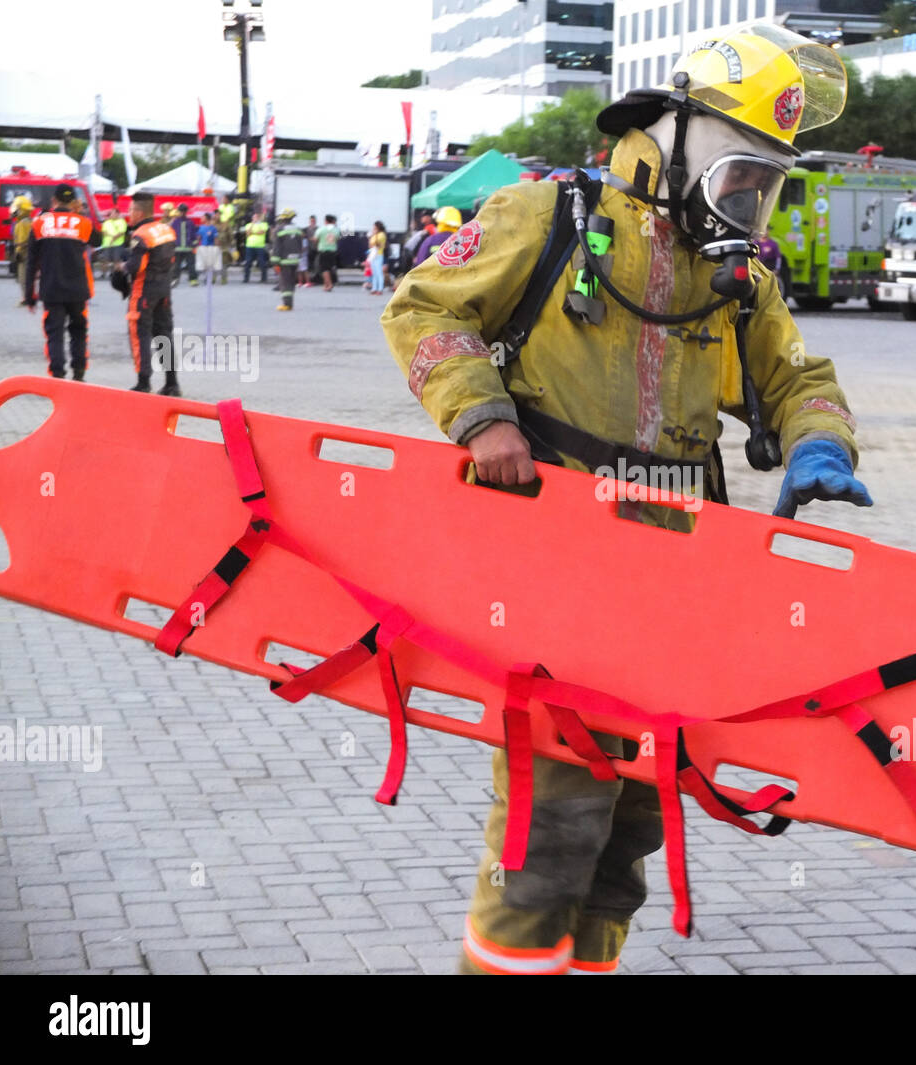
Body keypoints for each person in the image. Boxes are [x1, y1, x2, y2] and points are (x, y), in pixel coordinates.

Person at [381, 24, 870, 976]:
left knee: (632, 825)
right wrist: (483, 418)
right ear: (672, 135)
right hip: (557, 570)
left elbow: (799, 375)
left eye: (763, 185)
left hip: (679, 584)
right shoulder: (546, 218)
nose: (746, 202)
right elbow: (422, 306)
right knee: (551, 821)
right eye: (737, 174)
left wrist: (817, 438)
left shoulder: (738, 279)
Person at [22, 183, 97, 381]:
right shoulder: (83, 223)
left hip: (52, 289)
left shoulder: (39, 223)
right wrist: (81, 213)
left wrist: (29, 296)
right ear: (73, 202)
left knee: (54, 333)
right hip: (78, 290)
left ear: (54, 200)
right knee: (79, 331)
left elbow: (31, 264)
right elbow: (98, 241)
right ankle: (79, 373)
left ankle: (57, 374)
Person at [116, 191, 181, 395]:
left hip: (143, 291)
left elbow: (136, 267)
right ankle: (172, 383)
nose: (128, 213)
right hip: (164, 291)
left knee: (140, 335)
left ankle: (143, 382)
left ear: (138, 211)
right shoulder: (166, 230)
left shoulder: (141, 235)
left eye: (130, 209)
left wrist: (121, 267)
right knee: (164, 335)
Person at [269, 208, 305, 311]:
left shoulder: (279, 229)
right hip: (294, 261)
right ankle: (290, 303)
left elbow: (277, 247)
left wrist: (275, 262)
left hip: (284, 261)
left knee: (285, 282)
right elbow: (300, 246)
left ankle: (287, 304)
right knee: (291, 282)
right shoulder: (297, 229)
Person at [10, 195, 34, 302]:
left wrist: (18, 252)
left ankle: (26, 298)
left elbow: (23, 240)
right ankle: (27, 296)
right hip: (26, 252)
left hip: (23, 253)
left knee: (23, 277)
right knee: (24, 276)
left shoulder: (23, 223)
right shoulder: (25, 222)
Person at [170, 204, 199, 286]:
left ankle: (193, 280)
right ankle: (175, 280)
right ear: (179, 212)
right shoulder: (175, 222)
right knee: (176, 266)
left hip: (188, 248)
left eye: (184, 211)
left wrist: (194, 245)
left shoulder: (190, 222)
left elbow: (194, 235)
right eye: (181, 211)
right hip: (177, 248)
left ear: (186, 212)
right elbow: (172, 235)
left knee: (191, 265)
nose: (182, 213)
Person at [99, 207, 128, 279]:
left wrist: (113, 239)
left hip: (118, 244)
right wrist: (110, 237)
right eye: (111, 213)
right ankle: (103, 274)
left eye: (113, 213)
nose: (111, 214)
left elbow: (121, 232)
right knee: (105, 259)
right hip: (106, 244)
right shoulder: (106, 222)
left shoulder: (122, 222)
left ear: (117, 214)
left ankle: (116, 274)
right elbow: (103, 232)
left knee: (116, 260)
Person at [242, 208, 270, 283]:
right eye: (254, 217)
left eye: (257, 217)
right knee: (248, 262)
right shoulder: (248, 225)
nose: (255, 218)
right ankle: (246, 278)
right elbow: (247, 233)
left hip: (260, 246)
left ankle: (264, 279)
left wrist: (253, 232)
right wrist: (253, 225)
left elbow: (262, 232)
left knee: (262, 263)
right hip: (250, 246)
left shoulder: (264, 224)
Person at [315, 213, 340, 291]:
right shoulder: (336, 230)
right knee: (329, 268)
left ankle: (329, 284)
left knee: (324, 269)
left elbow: (316, 239)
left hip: (323, 250)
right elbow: (338, 239)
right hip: (332, 251)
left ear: (325, 221)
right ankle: (326, 285)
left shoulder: (321, 229)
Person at [196, 212, 221, 284]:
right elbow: (199, 237)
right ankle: (205, 276)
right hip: (203, 247)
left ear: (206, 219)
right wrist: (196, 245)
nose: (201, 218)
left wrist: (218, 247)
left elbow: (216, 238)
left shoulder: (213, 228)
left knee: (210, 264)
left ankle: (208, 278)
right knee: (203, 263)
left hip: (211, 247)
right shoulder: (201, 227)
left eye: (203, 217)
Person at [367, 221, 387, 294]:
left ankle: (380, 288)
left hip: (378, 254)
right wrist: (372, 236)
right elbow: (370, 245)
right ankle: (374, 288)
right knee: (374, 273)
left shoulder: (381, 234)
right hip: (373, 254)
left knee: (379, 272)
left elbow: (378, 244)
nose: (373, 228)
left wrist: (373, 235)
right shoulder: (374, 235)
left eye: (375, 227)